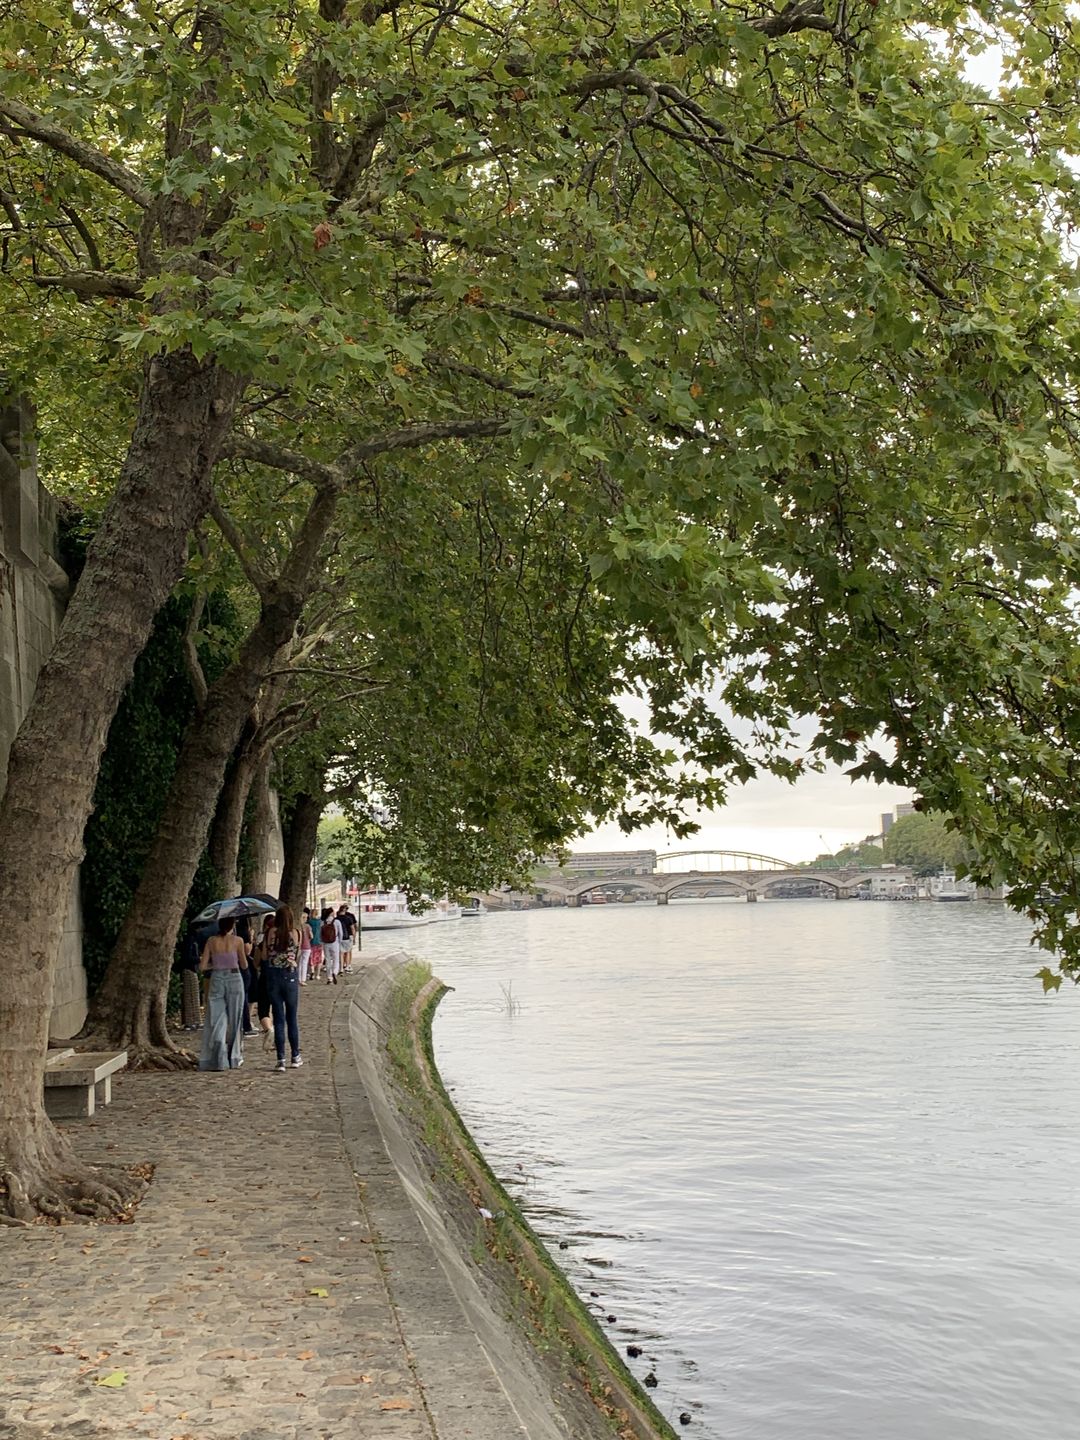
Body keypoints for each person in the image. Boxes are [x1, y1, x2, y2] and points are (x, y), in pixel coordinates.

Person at [197, 917, 249, 1071]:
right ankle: (234, 1056)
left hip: (217, 978)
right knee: (235, 1017)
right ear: (232, 925)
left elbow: (202, 966)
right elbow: (244, 964)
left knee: (217, 1017)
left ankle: (217, 1056)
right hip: (234, 977)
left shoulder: (211, 941)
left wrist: (217, 964)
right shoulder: (237, 941)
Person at [264, 904, 303, 1073]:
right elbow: (298, 955)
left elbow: (265, 956)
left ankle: (280, 1059)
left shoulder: (270, 933)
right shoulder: (296, 933)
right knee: (292, 1018)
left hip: (273, 976)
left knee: (278, 1019)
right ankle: (295, 1056)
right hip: (290, 975)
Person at [320, 906, 342, 985]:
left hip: (326, 943)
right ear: (331, 913)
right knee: (336, 959)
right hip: (335, 942)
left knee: (328, 960)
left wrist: (322, 942)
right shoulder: (337, 922)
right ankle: (335, 972)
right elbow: (340, 933)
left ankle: (329, 977)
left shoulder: (323, 922)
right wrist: (339, 942)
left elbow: (320, 934)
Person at [337, 905, 357, 973]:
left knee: (341, 953)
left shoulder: (337, 919)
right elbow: (353, 928)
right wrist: (354, 938)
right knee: (348, 951)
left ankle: (341, 967)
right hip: (348, 936)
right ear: (345, 910)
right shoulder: (348, 918)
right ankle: (348, 966)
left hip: (340, 937)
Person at [307, 906, 323, 981]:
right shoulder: (320, 922)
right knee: (319, 958)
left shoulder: (309, 922)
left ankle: (312, 972)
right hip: (319, 942)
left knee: (311, 958)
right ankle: (318, 974)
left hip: (311, 942)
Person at [298, 907, 312, 985]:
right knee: (304, 962)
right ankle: (303, 979)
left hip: (300, 946)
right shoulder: (307, 926)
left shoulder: (299, 926)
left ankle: (299, 978)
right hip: (307, 946)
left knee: (300, 963)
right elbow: (311, 936)